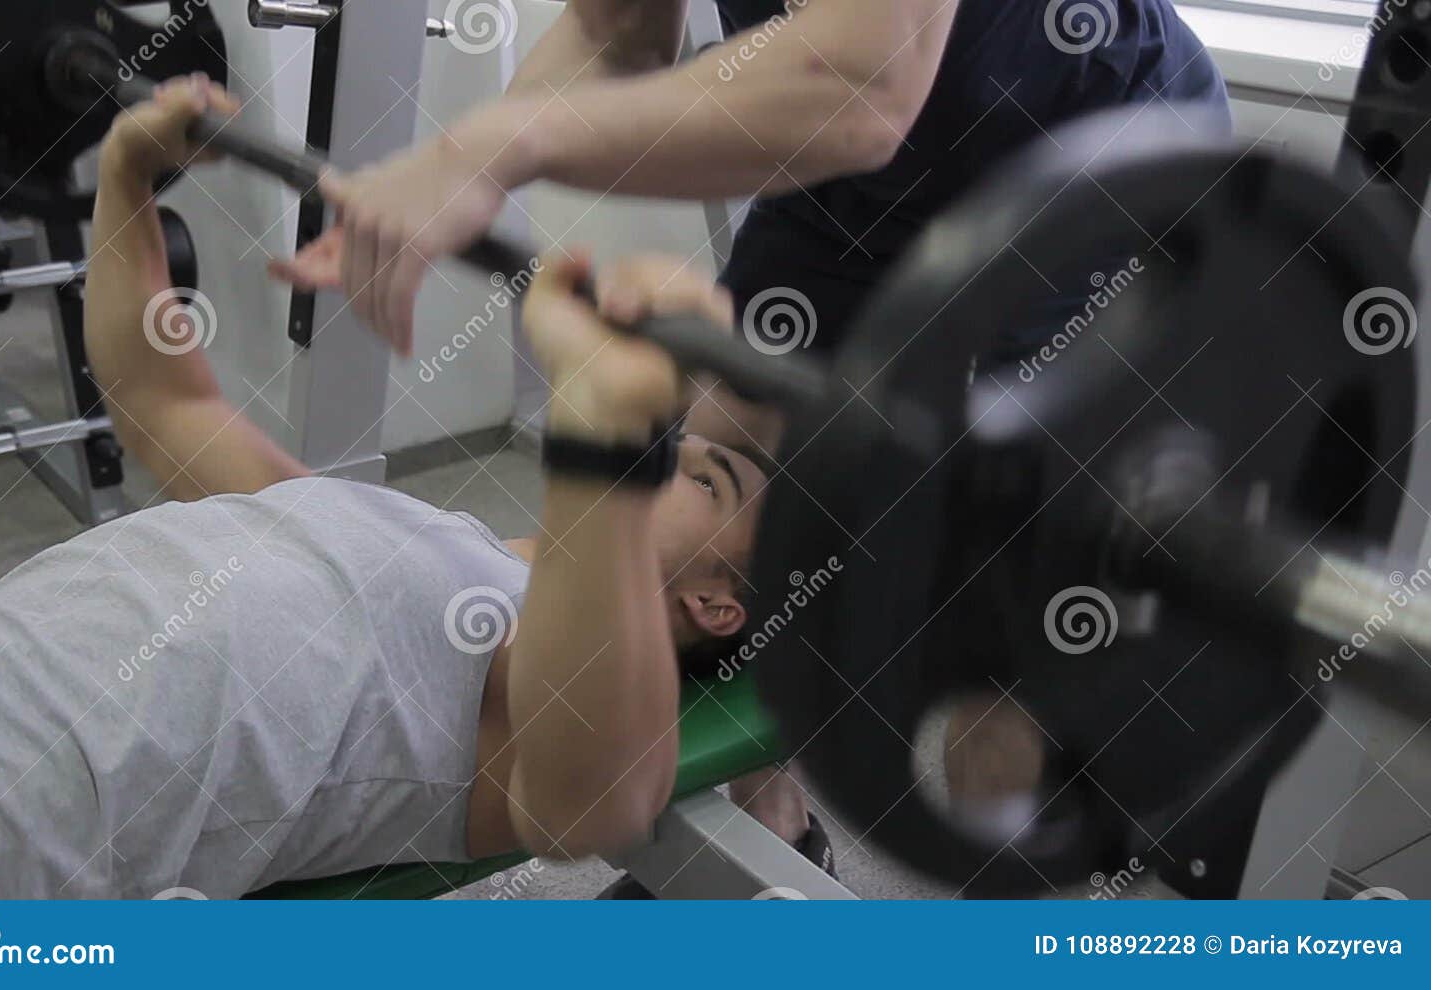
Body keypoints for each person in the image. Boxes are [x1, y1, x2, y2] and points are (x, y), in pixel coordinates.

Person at [268, 0, 1231, 891]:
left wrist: (489, 149)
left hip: (1082, 157)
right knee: (735, 478)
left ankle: (1026, 911)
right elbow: (617, 35)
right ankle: (773, 820)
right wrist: (458, 174)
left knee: (980, 625)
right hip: (854, 179)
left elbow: (864, 86)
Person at [0, 79, 769, 899]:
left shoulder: (542, 668)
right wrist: (126, 175)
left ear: (716, 605)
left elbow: (592, 802)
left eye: (706, 474)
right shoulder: (401, 525)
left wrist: (610, 445)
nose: (681, 448)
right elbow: (163, 401)